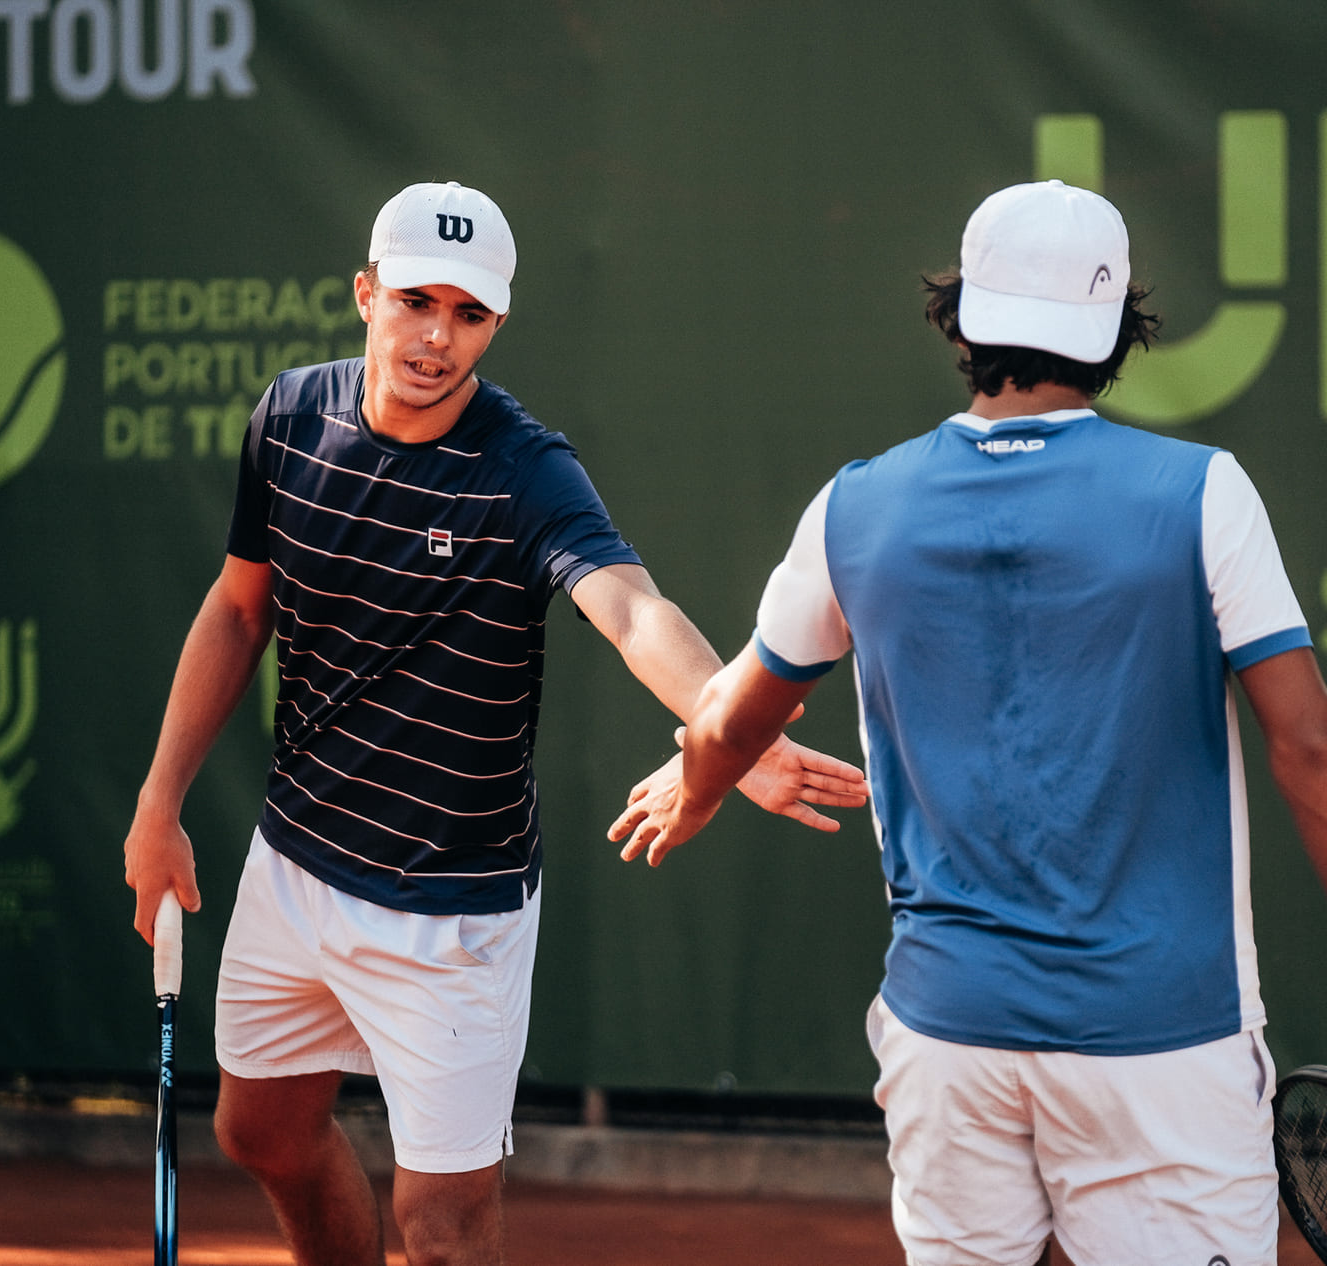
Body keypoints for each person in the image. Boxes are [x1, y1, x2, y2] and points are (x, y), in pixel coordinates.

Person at [610, 180, 1327, 1266]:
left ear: (960, 322)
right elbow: (1314, 747)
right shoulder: (1202, 493)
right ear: (1116, 338)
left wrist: (702, 784)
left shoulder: (854, 505)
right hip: (1162, 1050)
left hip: (947, 1040)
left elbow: (732, 719)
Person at [121, 180, 867, 1266]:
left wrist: (729, 728)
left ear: (497, 324)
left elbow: (633, 609)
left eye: (468, 315)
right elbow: (240, 611)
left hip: (451, 912)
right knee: (258, 1130)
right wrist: (158, 802)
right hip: (293, 862)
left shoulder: (526, 470)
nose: (436, 337)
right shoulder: (288, 417)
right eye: (416, 301)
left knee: (443, 1230)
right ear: (365, 293)